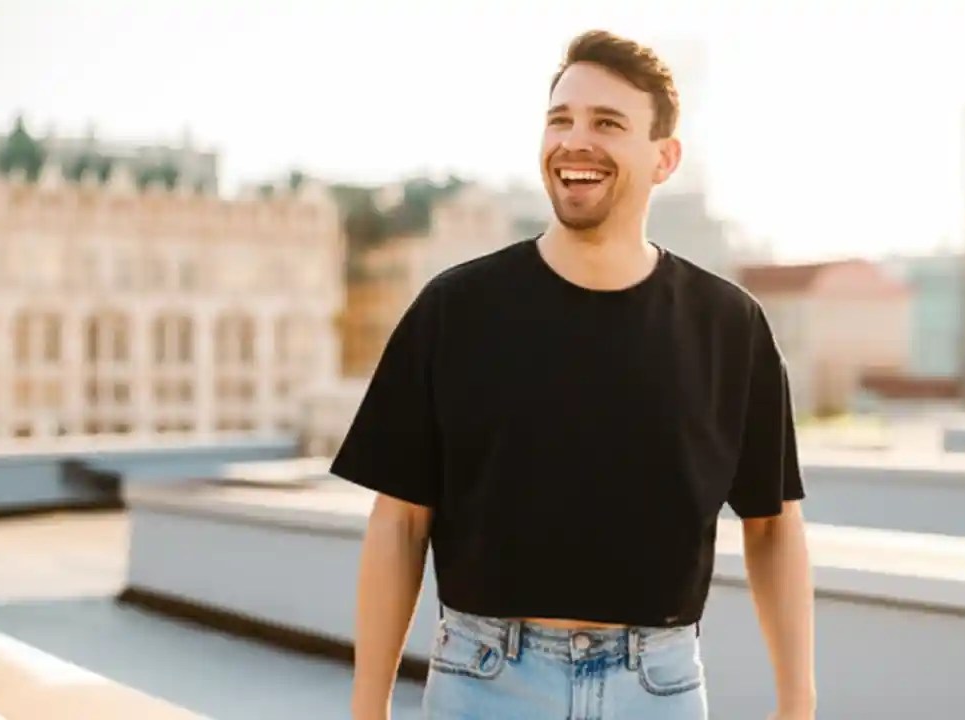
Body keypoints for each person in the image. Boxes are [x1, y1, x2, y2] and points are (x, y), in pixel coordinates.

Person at [333, 29, 815, 720]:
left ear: (664, 158)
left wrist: (798, 704)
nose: (574, 141)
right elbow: (399, 524)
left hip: (659, 688)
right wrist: (366, 708)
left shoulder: (729, 325)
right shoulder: (456, 309)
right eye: (560, 120)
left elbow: (773, 527)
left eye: (607, 123)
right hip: (482, 683)